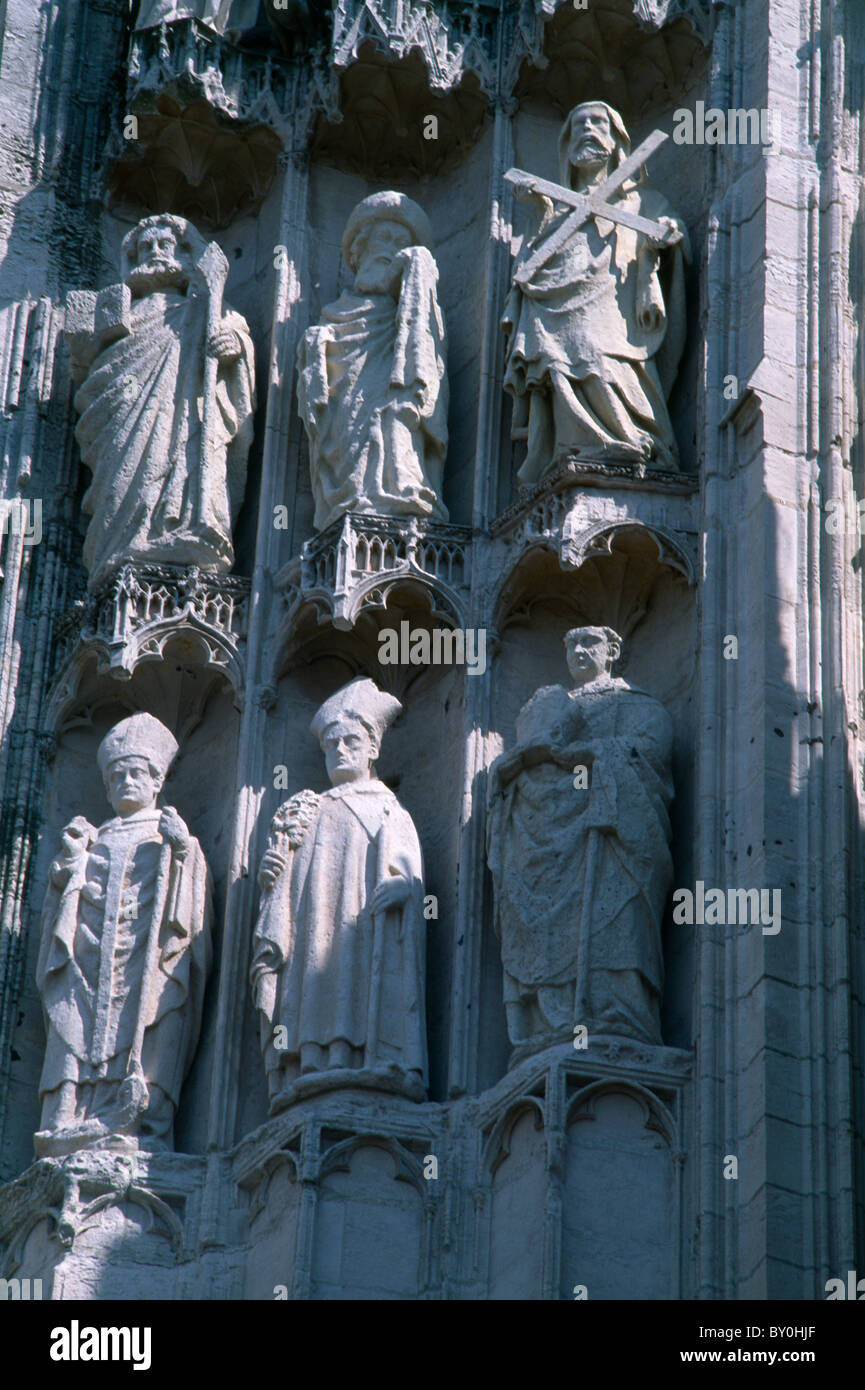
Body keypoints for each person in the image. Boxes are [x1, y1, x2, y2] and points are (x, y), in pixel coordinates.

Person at [487, 626, 674, 1055]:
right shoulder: (546, 708)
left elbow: (652, 752)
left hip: (607, 838)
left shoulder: (634, 704)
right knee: (547, 932)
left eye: (589, 643)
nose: (578, 651)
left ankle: (616, 1014)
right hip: (545, 843)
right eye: (570, 644)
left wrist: (590, 755)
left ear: (613, 650)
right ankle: (547, 1023)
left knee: (615, 919)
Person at [36, 713, 212, 1154]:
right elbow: (62, 913)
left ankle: (144, 1124)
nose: (126, 782)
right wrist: (70, 869)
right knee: (71, 1018)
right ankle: (70, 1115)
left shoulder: (169, 833)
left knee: (160, 1014)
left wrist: (181, 851)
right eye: (116, 776)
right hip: (91, 967)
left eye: (136, 773)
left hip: (147, 963)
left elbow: (190, 915)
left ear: (156, 781)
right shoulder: (94, 838)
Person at [251, 678, 428, 1109]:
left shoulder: (387, 807)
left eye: (351, 741)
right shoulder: (307, 809)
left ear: (373, 749)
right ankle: (308, 1064)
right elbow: (284, 885)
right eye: (331, 745)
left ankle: (369, 1058)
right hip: (313, 925)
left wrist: (405, 890)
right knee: (313, 984)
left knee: (353, 979)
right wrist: (271, 876)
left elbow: (413, 877)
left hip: (363, 924)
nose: (341, 751)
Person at [502, 101, 690, 484]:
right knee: (556, 362)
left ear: (615, 140)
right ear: (567, 145)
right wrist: (542, 207)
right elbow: (529, 270)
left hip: (612, 309)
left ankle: (631, 439)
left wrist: (667, 236)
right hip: (556, 310)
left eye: (597, 123)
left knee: (597, 357)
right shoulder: (553, 208)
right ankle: (567, 448)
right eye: (578, 125)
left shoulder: (639, 201)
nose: (588, 130)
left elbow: (670, 231)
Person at [66, 213, 255, 587]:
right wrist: (85, 346)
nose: (153, 252)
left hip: (185, 414)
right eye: (144, 247)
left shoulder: (204, 307)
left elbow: (237, 337)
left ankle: (186, 528)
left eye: (163, 245)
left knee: (184, 461)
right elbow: (91, 375)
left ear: (182, 253)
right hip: (124, 419)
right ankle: (123, 543)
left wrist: (235, 345)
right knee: (122, 477)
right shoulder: (120, 314)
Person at [297, 192, 449, 530]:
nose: (390, 247)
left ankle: (400, 490)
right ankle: (354, 496)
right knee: (353, 438)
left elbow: (426, 361)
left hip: (391, 392)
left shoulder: (410, 311)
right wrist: (315, 348)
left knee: (394, 418)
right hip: (348, 405)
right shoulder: (334, 315)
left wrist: (416, 268)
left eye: (399, 241)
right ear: (360, 247)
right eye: (383, 237)